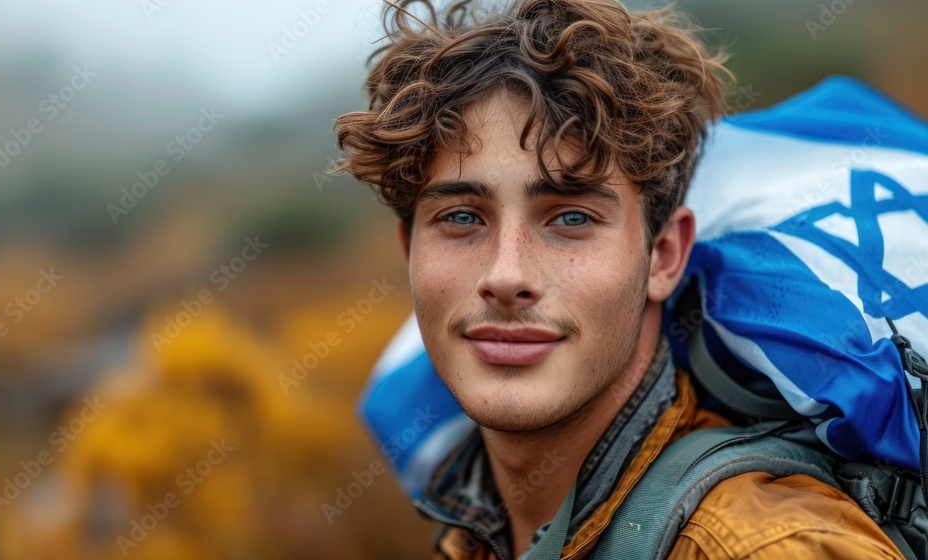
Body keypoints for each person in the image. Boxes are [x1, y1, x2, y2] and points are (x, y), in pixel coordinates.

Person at [332, 0, 906, 558]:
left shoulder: (769, 546)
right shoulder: (477, 526)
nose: (506, 276)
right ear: (409, 251)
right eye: (461, 217)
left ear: (663, 256)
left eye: (572, 218)